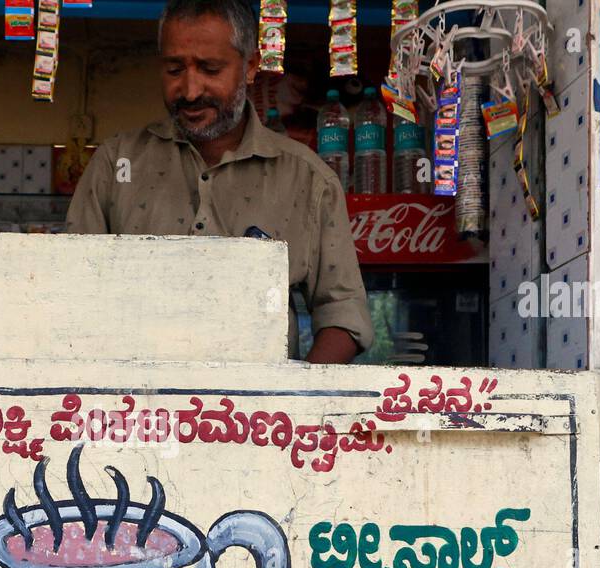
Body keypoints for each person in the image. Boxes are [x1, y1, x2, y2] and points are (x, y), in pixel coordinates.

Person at [65, 0, 373, 364]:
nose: (190, 90)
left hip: (258, 416)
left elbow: (343, 314)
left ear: (250, 67)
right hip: (135, 414)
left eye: (210, 69)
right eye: (174, 69)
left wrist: (291, 407)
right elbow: (71, 297)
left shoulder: (307, 179)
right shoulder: (114, 165)